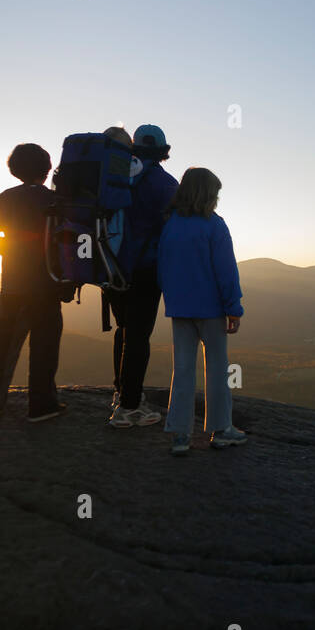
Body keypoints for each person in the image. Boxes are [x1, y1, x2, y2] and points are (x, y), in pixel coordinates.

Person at [0, 143, 67, 422]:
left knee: (0, 345)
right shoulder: (55, 200)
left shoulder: (5, 198)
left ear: (14, 169)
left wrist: (12, 252)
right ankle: (42, 406)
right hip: (47, 284)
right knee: (45, 346)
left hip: (12, 283)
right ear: (47, 168)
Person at [158, 167, 246, 454]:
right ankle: (221, 430)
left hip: (180, 309)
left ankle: (180, 435)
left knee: (182, 369)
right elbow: (226, 272)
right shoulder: (214, 225)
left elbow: (163, 268)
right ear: (208, 194)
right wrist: (234, 308)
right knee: (217, 368)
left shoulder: (170, 225)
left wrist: (173, 299)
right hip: (211, 309)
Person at [105, 124, 179, 428]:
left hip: (109, 267)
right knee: (138, 336)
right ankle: (129, 407)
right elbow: (174, 232)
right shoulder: (165, 184)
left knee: (123, 329)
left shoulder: (114, 176)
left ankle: (121, 393)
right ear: (162, 151)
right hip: (145, 271)